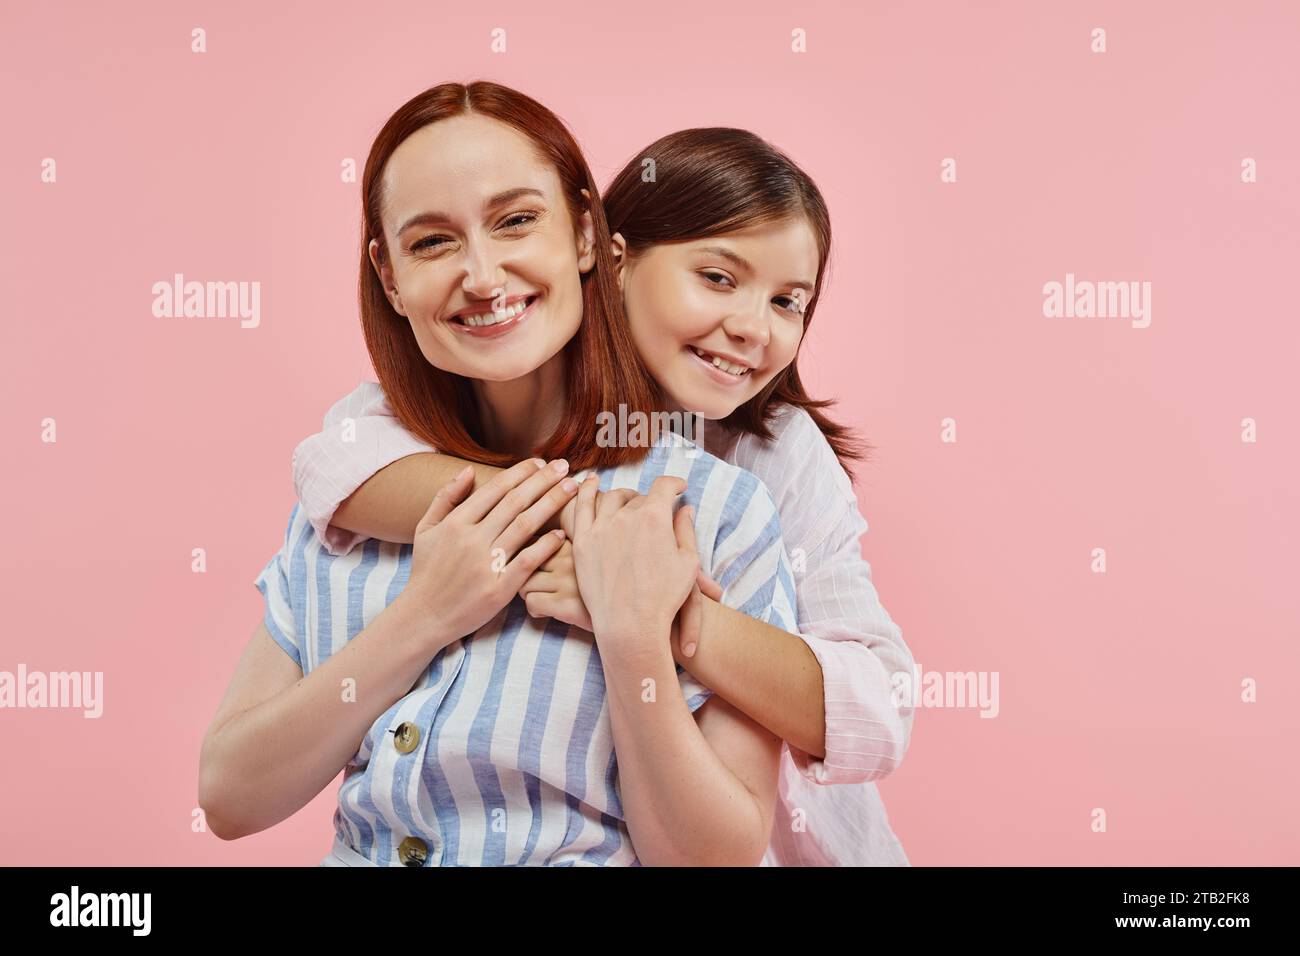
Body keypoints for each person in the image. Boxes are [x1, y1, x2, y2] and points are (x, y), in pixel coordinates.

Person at [199, 81, 797, 866]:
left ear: (585, 235)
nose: (482, 276)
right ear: (390, 278)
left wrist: (633, 635)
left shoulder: (713, 510)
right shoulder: (357, 496)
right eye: (432, 242)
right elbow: (230, 795)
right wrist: (425, 615)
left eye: (516, 221)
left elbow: (713, 858)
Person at [291, 123, 915, 864]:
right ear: (612, 261)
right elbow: (335, 468)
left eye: (789, 302)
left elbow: (878, 707)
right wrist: (592, 530)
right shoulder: (497, 387)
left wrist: (657, 609)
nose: (753, 327)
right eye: (718, 278)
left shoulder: (769, 452)